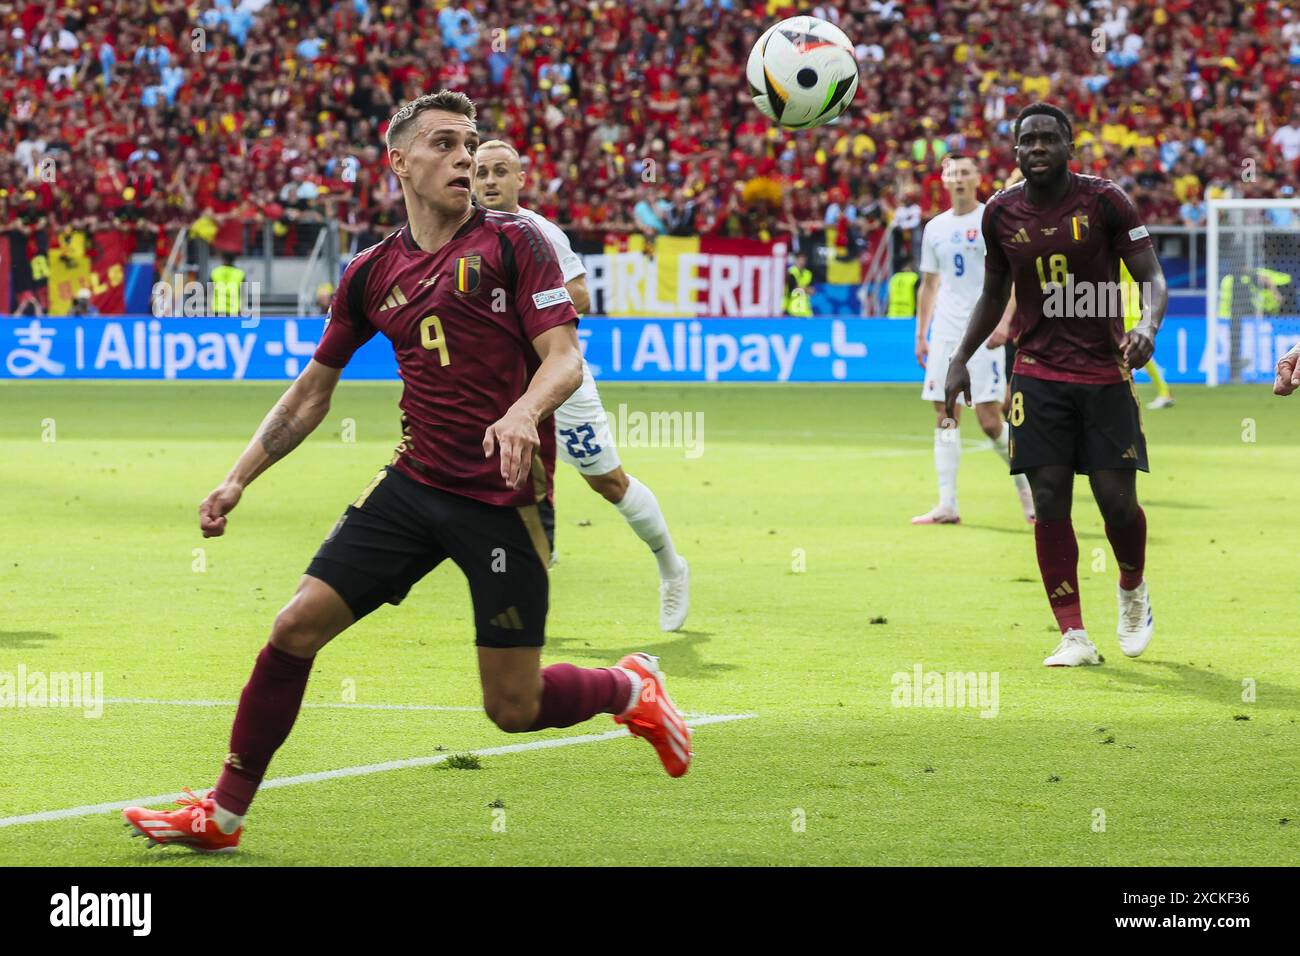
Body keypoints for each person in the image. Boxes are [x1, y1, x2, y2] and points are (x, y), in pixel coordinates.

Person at [121, 92, 693, 854]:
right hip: (414, 485)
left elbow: (564, 357)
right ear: (400, 162)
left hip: (505, 502)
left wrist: (524, 412)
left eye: (471, 144)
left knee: (513, 708)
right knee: (294, 627)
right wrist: (237, 479)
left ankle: (628, 687)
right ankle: (221, 816)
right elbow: (309, 395)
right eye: (446, 145)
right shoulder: (370, 271)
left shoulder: (517, 242)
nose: (465, 158)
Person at [944, 103, 1167, 669]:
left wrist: (1146, 324)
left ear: (1070, 146)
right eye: (1027, 140)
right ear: (1015, 151)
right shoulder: (1000, 213)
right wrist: (960, 357)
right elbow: (994, 293)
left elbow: (1152, 276)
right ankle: (1074, 635)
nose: (1037, 147)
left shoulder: (1106, 200)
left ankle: (1133, 589)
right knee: (1048, 502)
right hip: (1037, 373)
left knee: (1117, 504)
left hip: (1104, 372)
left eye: (1049, 138)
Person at [472, 139, 690, 631]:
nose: (489, 181)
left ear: (520, 180)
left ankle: (671, 564)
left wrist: (518, 299)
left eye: (499, 171)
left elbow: (580, 296)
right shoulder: (460, 235)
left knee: (606, 481)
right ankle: (522, 585)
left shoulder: (539, 232)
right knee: (492, 485)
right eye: (481, 171)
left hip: (557, 380)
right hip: (498, 388)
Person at [912, 153, 1035, 525]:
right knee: (945, 414)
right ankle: (947, 503)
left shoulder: (991, 219)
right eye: (953, 173)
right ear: (944, 180)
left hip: (983, 330)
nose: (960, 178)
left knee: (989, 420)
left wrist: (1004, 323)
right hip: (946, 333)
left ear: (977, 178)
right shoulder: (934, 227)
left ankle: (1029, 486)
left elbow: (1014, 277)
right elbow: (929, 284)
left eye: (966, 172)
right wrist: (921, 333)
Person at [1120, 260, 1173, 408]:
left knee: (1134, 351)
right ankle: (1163, 391)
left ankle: (1163, 392)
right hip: (1130, 311)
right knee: (1134, 353)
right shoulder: (1130, 257)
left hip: (1127, 313)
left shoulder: (1119, 258)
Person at [785, 251, 814, 317]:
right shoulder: (790, 272)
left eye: (804, 260)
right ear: (796, 260)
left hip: (805, 311)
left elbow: (812, 291)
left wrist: (802, 288)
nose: (802, 262)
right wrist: (806, 289)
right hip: (791, 309)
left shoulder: (808, 273)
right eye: (800, 260)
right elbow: (795, 289)